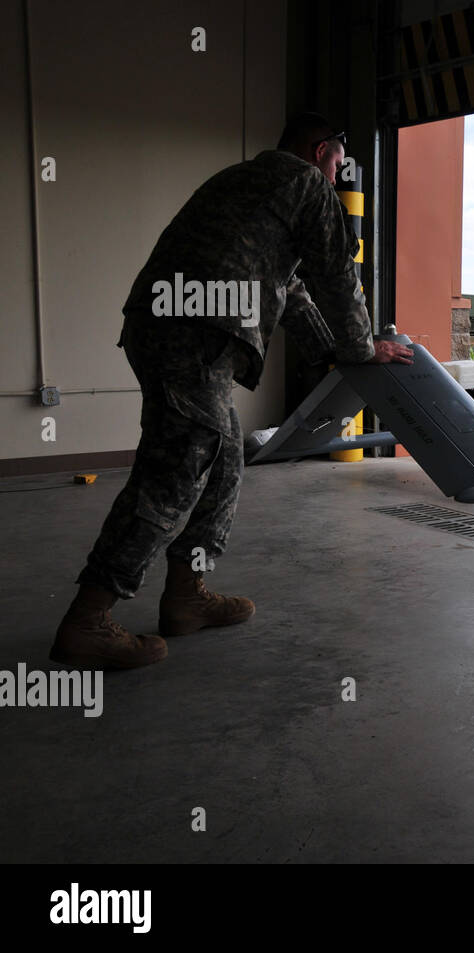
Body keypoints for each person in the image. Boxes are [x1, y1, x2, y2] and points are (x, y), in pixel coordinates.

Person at [50, 112, 413, 670]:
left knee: (223, 461)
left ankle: (186, 597)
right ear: (321, 152)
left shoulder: (241, 182)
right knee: (174, 469)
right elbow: (336, 276)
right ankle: (87, 620)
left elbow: (288, 290)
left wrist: (336, 352)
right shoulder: (306, 184)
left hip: (163, 324)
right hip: (195, 336)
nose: (340, 171)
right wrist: (363, 349)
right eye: (340, 161)